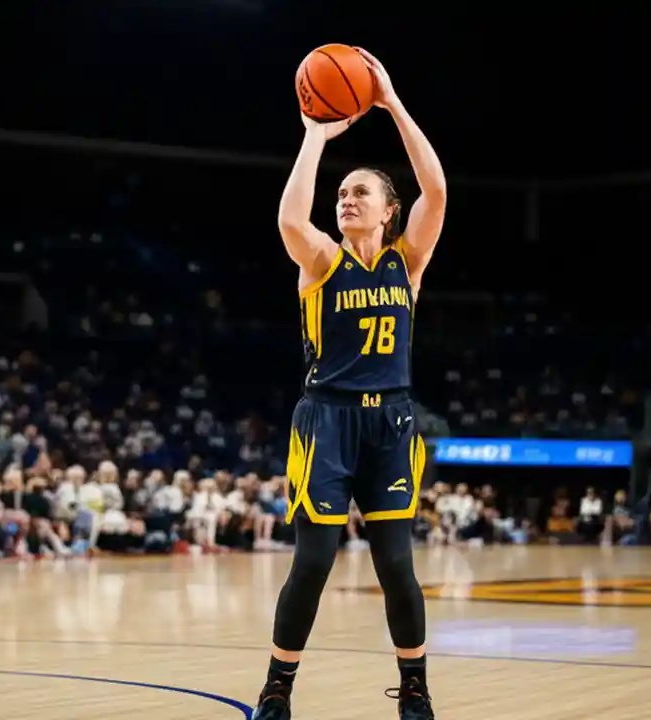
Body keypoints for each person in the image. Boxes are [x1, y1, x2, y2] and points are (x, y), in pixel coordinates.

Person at [251, 47, 446, 720]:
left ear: (389, 210)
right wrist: (313, 135)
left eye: (360, 191)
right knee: (313, 561)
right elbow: (288, 219)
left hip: (392, 423)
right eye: (342, 193)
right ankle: (277, 688)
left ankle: (415, 690)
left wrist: (390, 103)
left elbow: (438, 191)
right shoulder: (323, 260)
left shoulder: (407, 262)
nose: (347, 199)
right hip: (327, 419)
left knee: (397, 564)